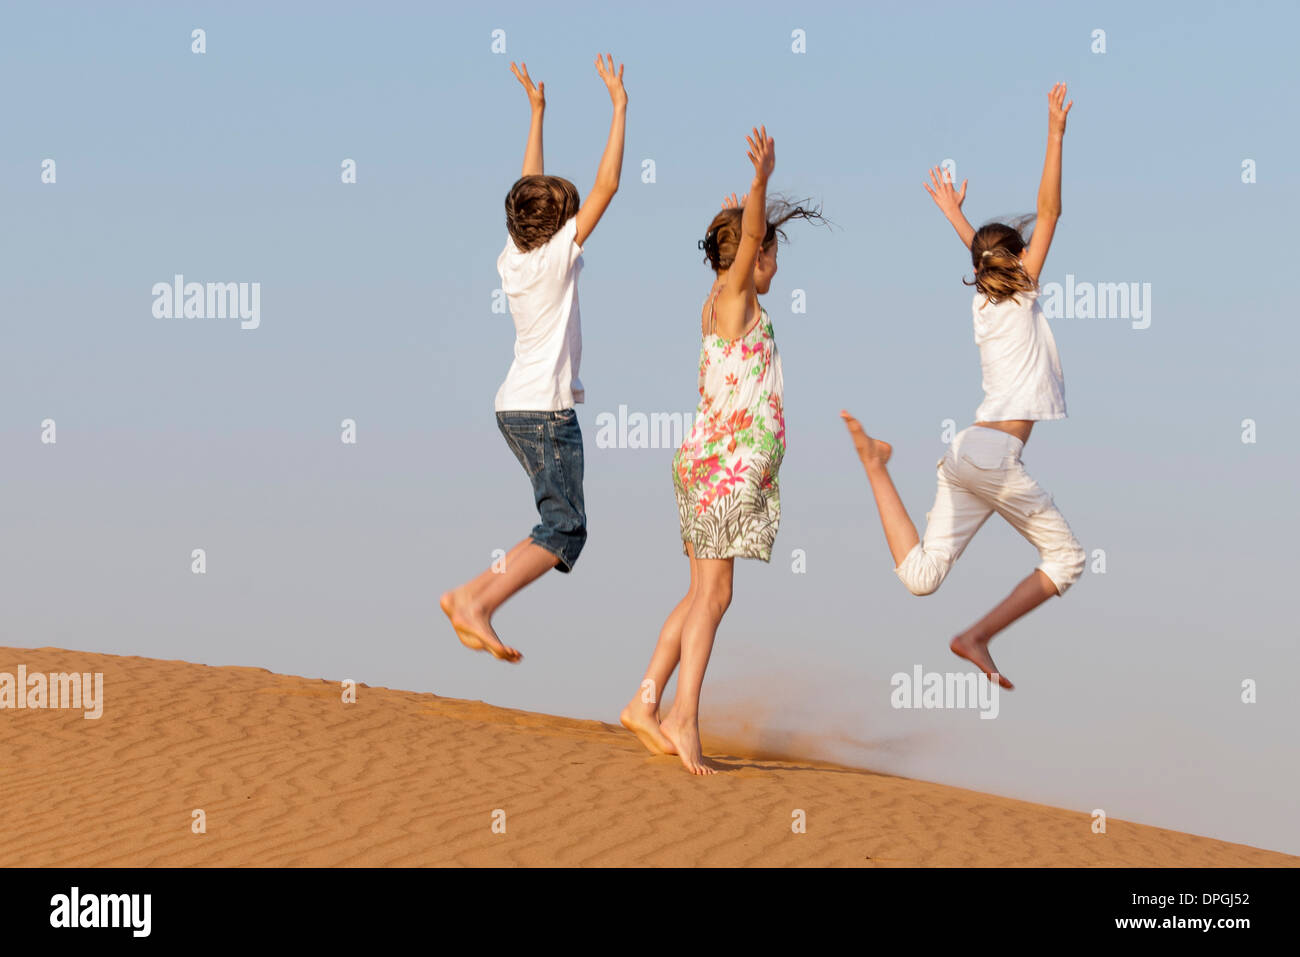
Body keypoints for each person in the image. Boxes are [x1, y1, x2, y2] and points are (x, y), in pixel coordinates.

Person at [841, 83, 1086, 690]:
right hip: (993, 458)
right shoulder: (1021, 287)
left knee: (921, 575)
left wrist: (955, 216)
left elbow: (985, 257)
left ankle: (875, 465)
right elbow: (1050, 211)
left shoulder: (984, 301)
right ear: (1019, 262)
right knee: (1068, 560)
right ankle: (975, 635)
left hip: (967, 454)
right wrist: (1055, 133)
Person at [622, 126, 824, 773]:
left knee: (702, 595)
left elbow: (738, 249)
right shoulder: (734, 298)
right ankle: (682, 716)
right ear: (752, 256)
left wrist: (745, 209)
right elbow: (745, 254)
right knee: (713, 597)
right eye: (769, 251)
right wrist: (761, 185)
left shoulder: (716, 301)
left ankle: (644, 700)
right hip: (723, 469)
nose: (774, 265)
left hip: (710, 465)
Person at [440, 55, 627, 662]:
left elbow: (529, 190)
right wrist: (619, 109)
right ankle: (474, 600)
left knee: (556, 519)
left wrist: (537, 113)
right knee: (565, 527)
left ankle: (473, 598)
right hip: (545, 414)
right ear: (559, 230)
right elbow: (608, 188)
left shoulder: (515, 257)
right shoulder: (555, 259)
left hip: (513, 408)